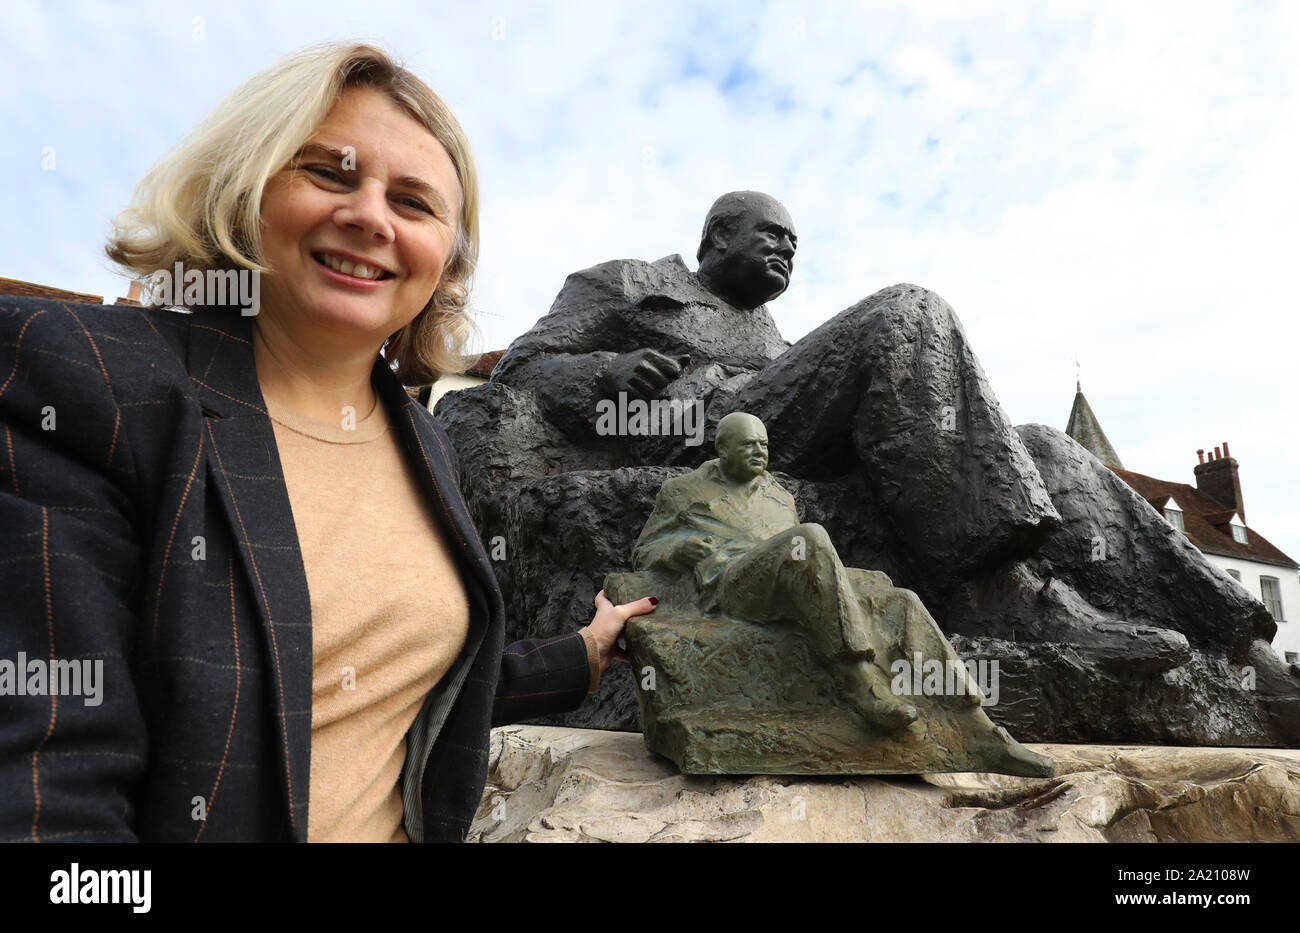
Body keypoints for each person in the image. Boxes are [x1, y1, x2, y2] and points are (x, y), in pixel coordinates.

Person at [0, 42, 654, 843]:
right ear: (244, 190)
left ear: (443, 259)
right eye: (330, 174)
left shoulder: (424, 439)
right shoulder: (82, 378)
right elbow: (46, 790)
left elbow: (395, 678)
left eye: (414, 204)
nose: (371, 217)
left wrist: (583, 652)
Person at [631, 412, 990, 734]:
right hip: (733, 586)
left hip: (789, 585)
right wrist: (677, 551)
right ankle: (860, 683)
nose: (759, 452)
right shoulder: (682, 491)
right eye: (748, 445)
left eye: (764, 445)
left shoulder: (781, 496)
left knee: (900, 600)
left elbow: (808, 562)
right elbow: (643, 552)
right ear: (723, 449)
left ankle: (971, 716)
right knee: (810, 535)